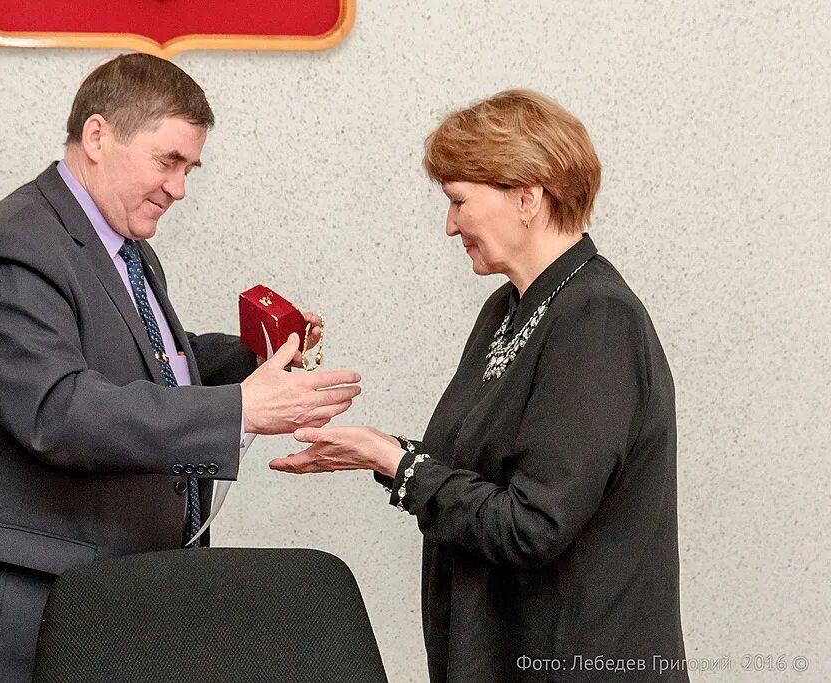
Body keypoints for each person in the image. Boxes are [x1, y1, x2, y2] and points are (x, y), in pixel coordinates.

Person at [0, 53, 361, 683]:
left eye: (190, 168)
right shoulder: (10, 244)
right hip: (31, 611)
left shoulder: (122, 244)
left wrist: (254, 360)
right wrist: (242, 408)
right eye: (167, 162)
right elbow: (60, 410)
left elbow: (143, 359)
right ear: (97, 136)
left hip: (110, 604)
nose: (179, 188)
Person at [271, 90, 688, 682]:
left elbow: (531, 525)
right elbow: (476, 478)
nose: (449, 226)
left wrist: (397, 462)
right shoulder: (509, 308)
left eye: (459, 201)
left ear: (527, 196)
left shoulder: (598, 319)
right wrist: (382, 455)